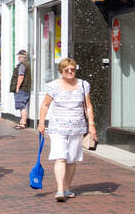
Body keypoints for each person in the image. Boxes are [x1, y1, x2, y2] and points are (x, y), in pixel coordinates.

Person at [38, 57, 97, 201]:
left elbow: (87, 106)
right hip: (58, 127)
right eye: (67, 70)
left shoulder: (83, 85)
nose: (70, 72)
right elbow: (45, 105)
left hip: (77, 127)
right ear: (61, 71)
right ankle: (59, 190)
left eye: (73, 69)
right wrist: (41, 122)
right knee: (61, 157)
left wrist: (91, 124)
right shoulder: (53, 86)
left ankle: (68, 188)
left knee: (71, 159)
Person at [12, 49, 30, 129]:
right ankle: (22, 122)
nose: (18, 57)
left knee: (22, 106)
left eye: (19, 55)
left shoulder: (23, 65)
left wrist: (17, 87)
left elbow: (21, 76)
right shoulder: (27, 64)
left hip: (22, 88)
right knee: (23, 105)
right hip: (25, 88)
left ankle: (23, 123)